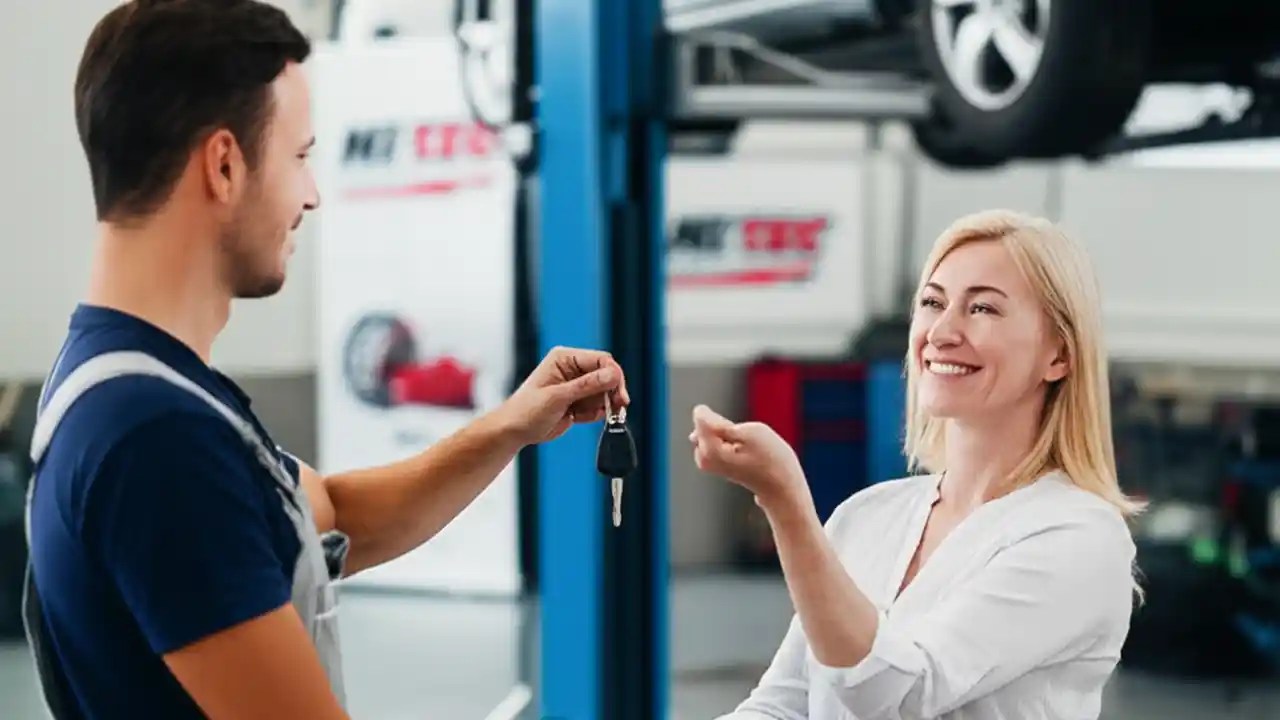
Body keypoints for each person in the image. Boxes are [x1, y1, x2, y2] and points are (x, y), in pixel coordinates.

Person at [23, 1, 628, 718]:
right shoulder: (153, 436)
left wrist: (512, 426)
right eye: (300, 157)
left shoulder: (120, 378)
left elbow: (335, 516)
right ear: (223, 165)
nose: (311, 196)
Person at [690, 209, 1143, 719]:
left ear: (1058, 356)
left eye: (984, 310)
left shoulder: (1076, 538)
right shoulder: (868, 516)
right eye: (932, 302)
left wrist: (786, 504)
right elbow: (786, 705)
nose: (942, 331)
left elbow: (898, 696)